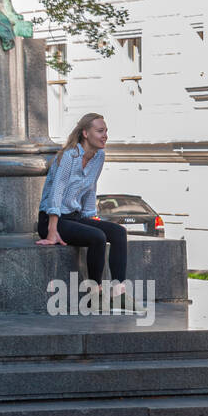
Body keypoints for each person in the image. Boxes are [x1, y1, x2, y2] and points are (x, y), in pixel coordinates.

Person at [36, 112, 133, 310]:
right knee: (97, 237)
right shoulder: (69, 156)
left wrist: (92, 218)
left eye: (106, 131)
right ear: (85, 133)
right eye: (100, 131)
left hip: (75, 217)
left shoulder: (99, 156)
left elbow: (91, 189)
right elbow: (57, 191)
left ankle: (118, 292)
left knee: (118, 232)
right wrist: (52, 230)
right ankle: (94, 294)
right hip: (52, 219)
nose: (105, 135)